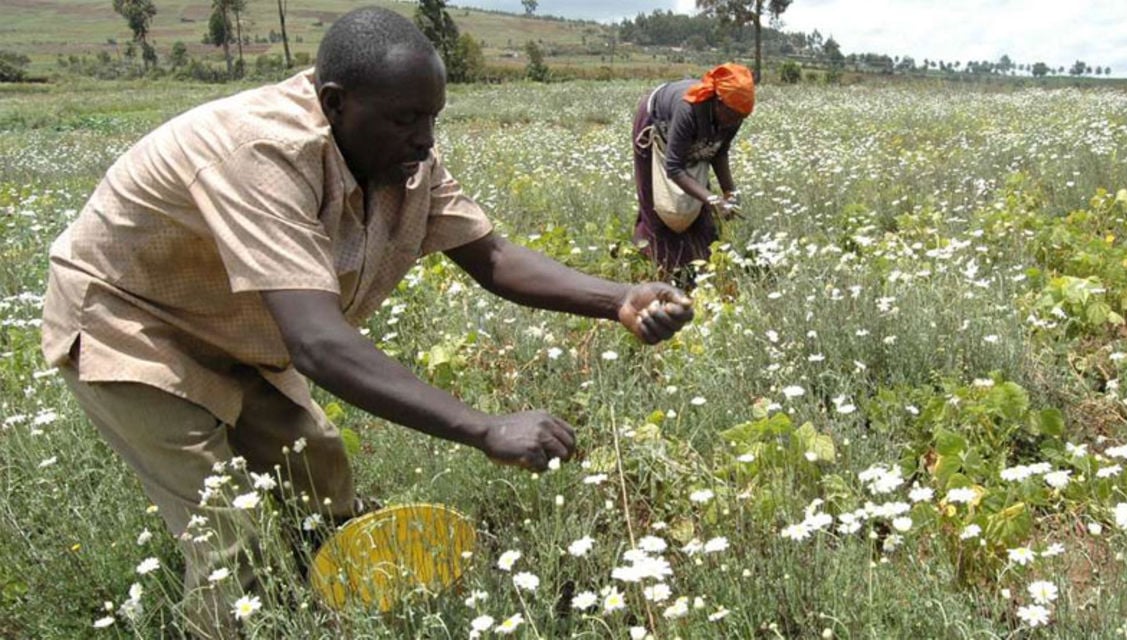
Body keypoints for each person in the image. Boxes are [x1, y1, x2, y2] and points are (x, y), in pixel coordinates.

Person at [40, 7, 692, 638]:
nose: (427, 140)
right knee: (227, 537)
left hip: (231, 327)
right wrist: (484, 428)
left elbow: (491, 257)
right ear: (334, 103)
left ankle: (327, 612)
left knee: (319, 475)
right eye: (407, 119)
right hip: (129, 324)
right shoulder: (261, 152)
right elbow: (318, 344)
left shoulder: (399, 158)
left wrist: (619, 299)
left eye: (433, 117)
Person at [631, 63, 754, 286]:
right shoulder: (687, 109)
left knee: (696, 205)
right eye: (732, 115)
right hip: (655, 125)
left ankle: (698, 265)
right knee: (658, 203)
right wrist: (713, 199)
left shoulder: (734, 113)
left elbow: (719, 151)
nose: (735, 122)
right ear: (718, 101)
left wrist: (729, 191)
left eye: (741, 117)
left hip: (688, 132)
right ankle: (661, 272)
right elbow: (674, 168)